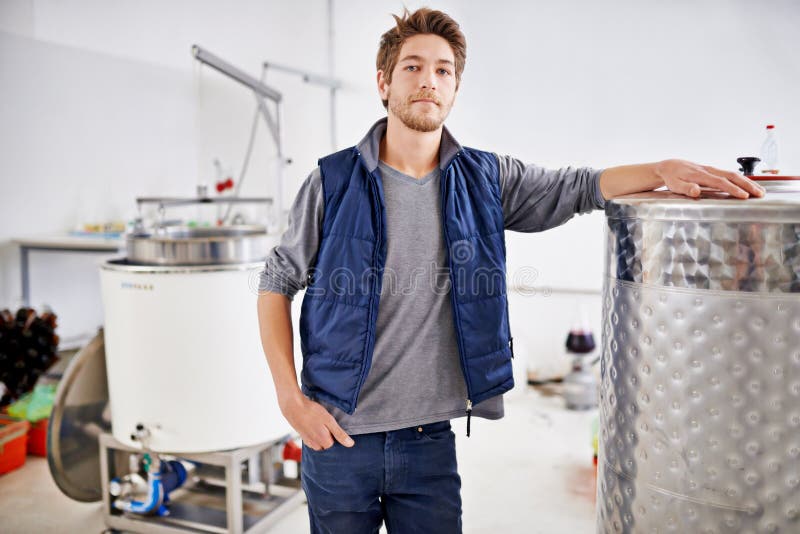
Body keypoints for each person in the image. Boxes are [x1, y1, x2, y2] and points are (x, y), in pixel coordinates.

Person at [256, 7, 764, 533]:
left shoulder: (486, 179)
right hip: (338, 439)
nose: (428, 80)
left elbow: (579, 186)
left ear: (454, 89)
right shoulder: (332, 181)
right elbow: (276, 281)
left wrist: (659, 170)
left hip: (429, 443)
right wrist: (290, 400)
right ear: (384, 82)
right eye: (412, 67)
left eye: (443, 70)